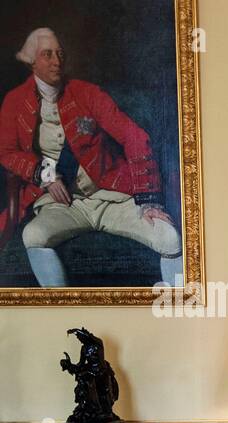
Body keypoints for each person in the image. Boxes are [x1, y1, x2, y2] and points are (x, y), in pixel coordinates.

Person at [0, 28, 183, 288]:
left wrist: (149, 200)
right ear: (32, 61)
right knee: (34, 235)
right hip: (61, 204)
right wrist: (46, 174)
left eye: (60, 54)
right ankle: (62, 314)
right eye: (47, 55)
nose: (57, 61)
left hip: (110, 197)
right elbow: (6, 151)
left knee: (170, 239)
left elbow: (134, 136)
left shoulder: (87, 92)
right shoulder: (14, 101)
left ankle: (178, 312)